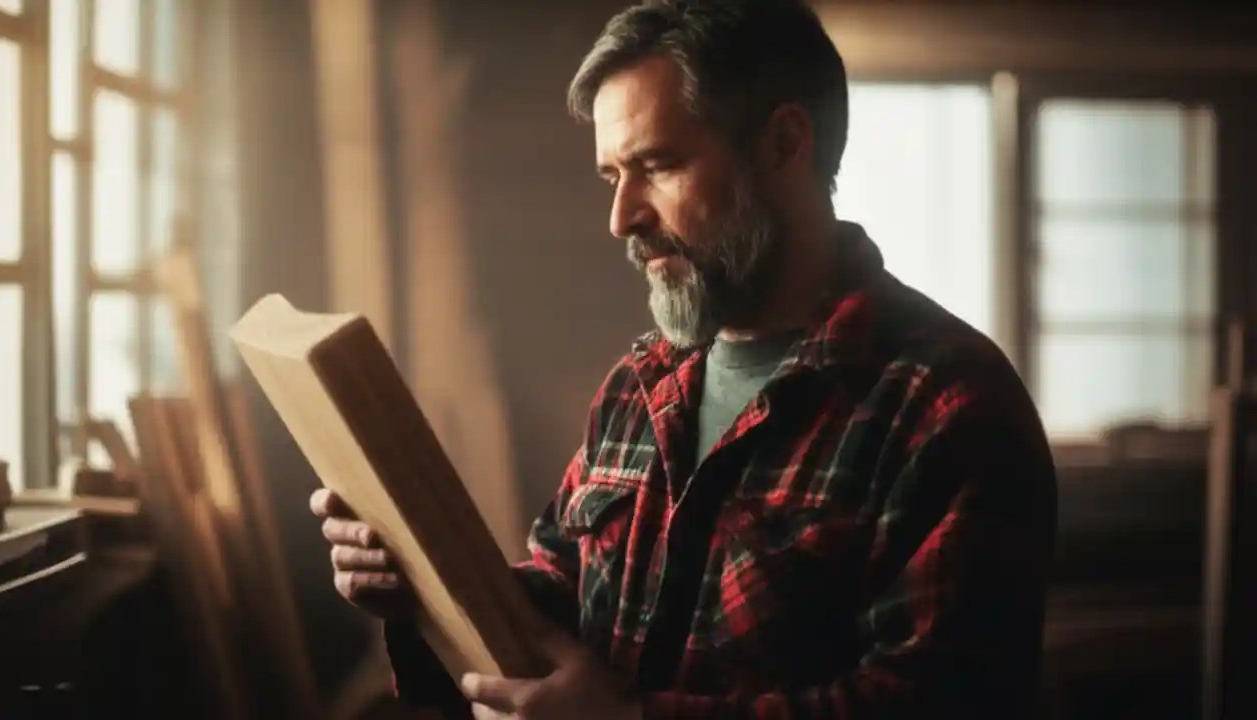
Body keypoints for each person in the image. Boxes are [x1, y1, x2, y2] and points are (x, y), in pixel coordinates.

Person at [311, 0, 1058, 718]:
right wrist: (419, 589)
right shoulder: (641, 387)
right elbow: (560, 592)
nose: (621, 218)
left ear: (784, 146)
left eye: (658, 166)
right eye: (613, 176)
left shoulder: (946, 408)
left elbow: (934, 703)